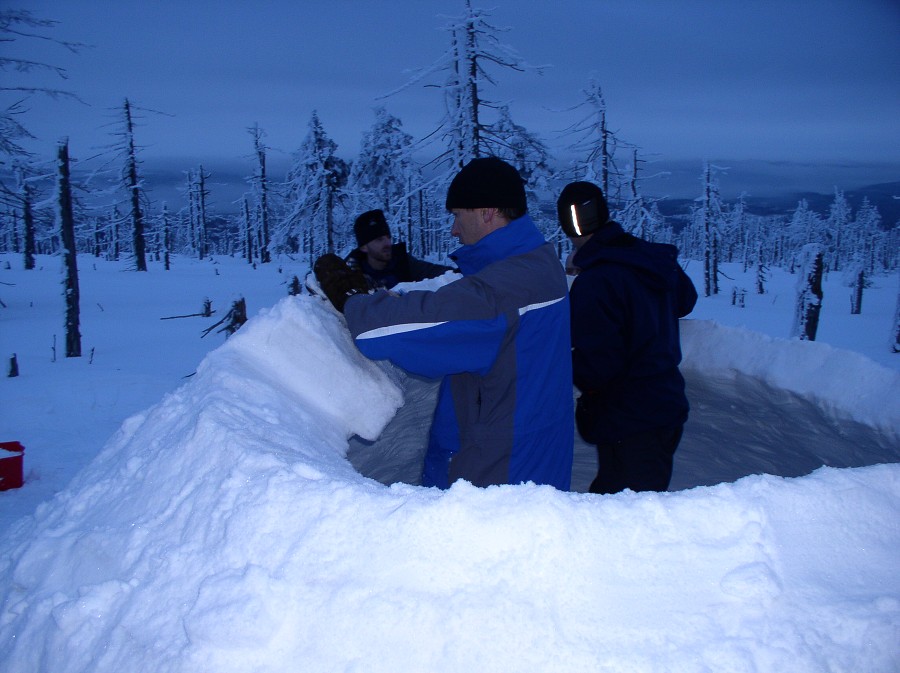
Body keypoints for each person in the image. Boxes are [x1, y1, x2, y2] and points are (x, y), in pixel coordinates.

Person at [315, 157, 574, 490]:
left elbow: (390, 331)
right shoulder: (539, 264)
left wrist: (353, 299)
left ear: (488, 212)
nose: (453, 229)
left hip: (498, 484)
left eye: (457, 216)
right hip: (531, 465)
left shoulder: (505, 290)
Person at [557, 180, 697, 494]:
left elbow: (598, 366)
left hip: (628, 418)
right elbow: (685, 300)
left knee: (626, 519)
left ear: (569, 225)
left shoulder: (597, 281)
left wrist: (557, 360)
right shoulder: (647, 258)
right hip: (664, 407)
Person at [346, 209, 454, 290]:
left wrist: (461, 272)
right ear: (364, 247)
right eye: (379, 240)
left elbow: (434, 272)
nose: (387, 243)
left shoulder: (402, 262)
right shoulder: (351, 271)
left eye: (388, 237)